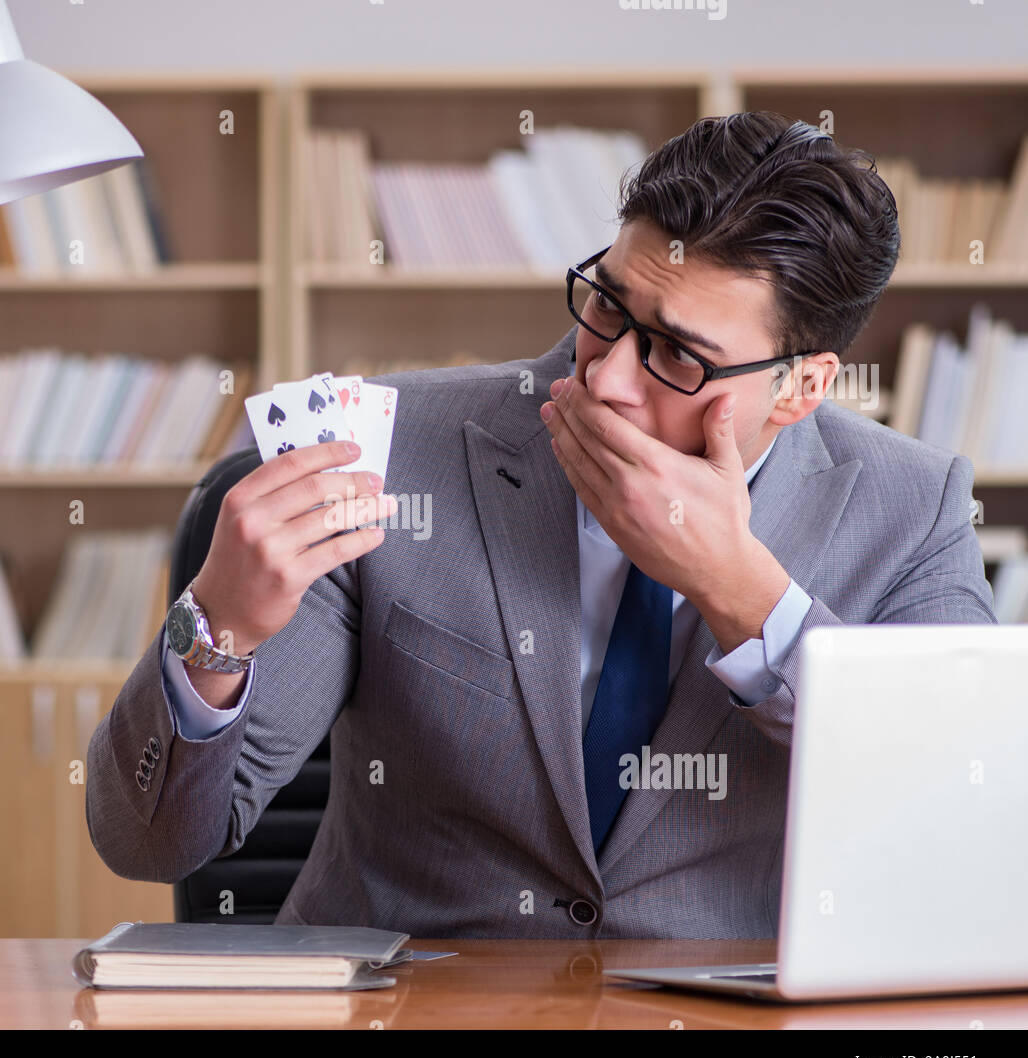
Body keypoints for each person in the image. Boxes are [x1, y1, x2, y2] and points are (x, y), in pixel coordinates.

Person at [86, 110, 996, 938]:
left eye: (678, 353)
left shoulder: (911, 512)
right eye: (607, 305)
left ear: (801, 386)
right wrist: (216, 628)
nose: (603, 379)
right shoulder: (393, 449)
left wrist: (739, 589)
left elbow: (970, 830)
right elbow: (148, 841)